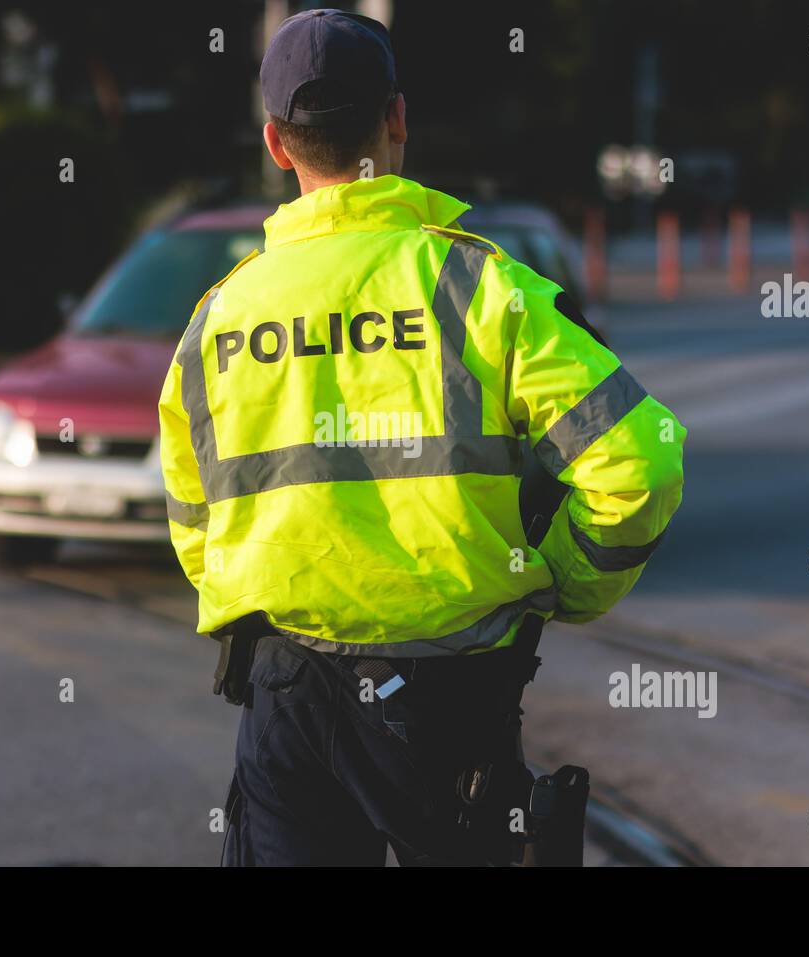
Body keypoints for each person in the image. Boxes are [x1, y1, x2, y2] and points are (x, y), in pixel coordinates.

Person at [158, 8, 686, 866]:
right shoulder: (478, 286)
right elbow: (643, 457)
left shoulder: (219, 316)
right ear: (397, 119)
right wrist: (567, 581)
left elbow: (195, 520)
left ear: (277, 145)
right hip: (448, 704)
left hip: (285, 695)